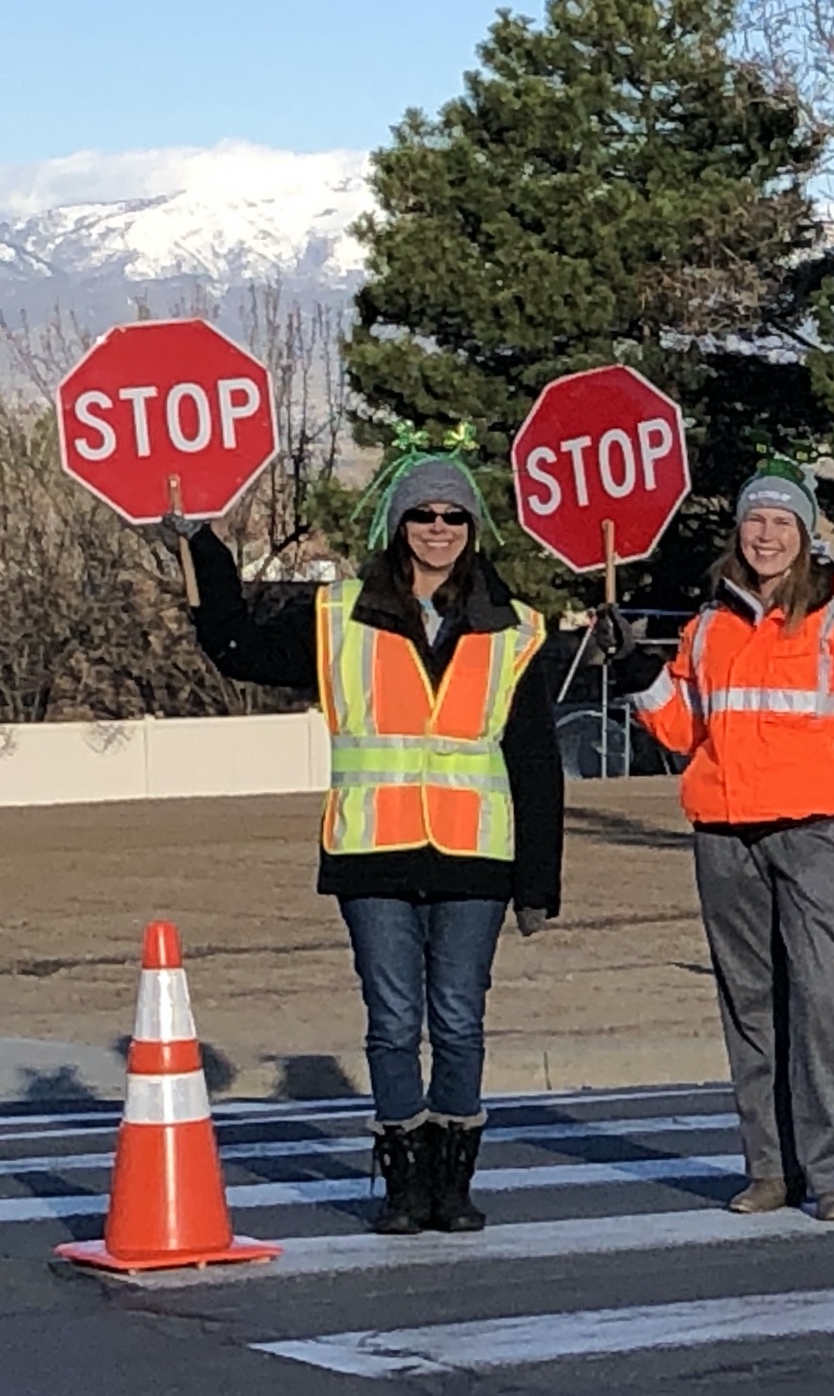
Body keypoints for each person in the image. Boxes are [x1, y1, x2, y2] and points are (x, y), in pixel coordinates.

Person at [175, 433, 563, 1237]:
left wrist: (538, 883)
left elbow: (533, 761)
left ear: (474, 527)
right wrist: (201, 545)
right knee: (391, 1023)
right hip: (373, 854)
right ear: (396, 522)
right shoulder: (335, 616)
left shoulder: (517, 628)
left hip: (474, 859)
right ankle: (401, 1180)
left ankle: (452, 1178)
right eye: (421, 512)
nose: (437, 527)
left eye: (453, 514)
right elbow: (234, 645)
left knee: (457, 1019)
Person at [599, 459, 834, 1223]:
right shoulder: (710, 623)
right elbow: (685, 728)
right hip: (724, 831)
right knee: (750, 1006)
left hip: (819, 830)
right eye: (756, 519)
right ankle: (768, 1170)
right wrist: (631, 670)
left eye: (783, 521)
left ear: (807, 534)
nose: (766, 534)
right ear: (739, 529)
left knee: (820, 1000)